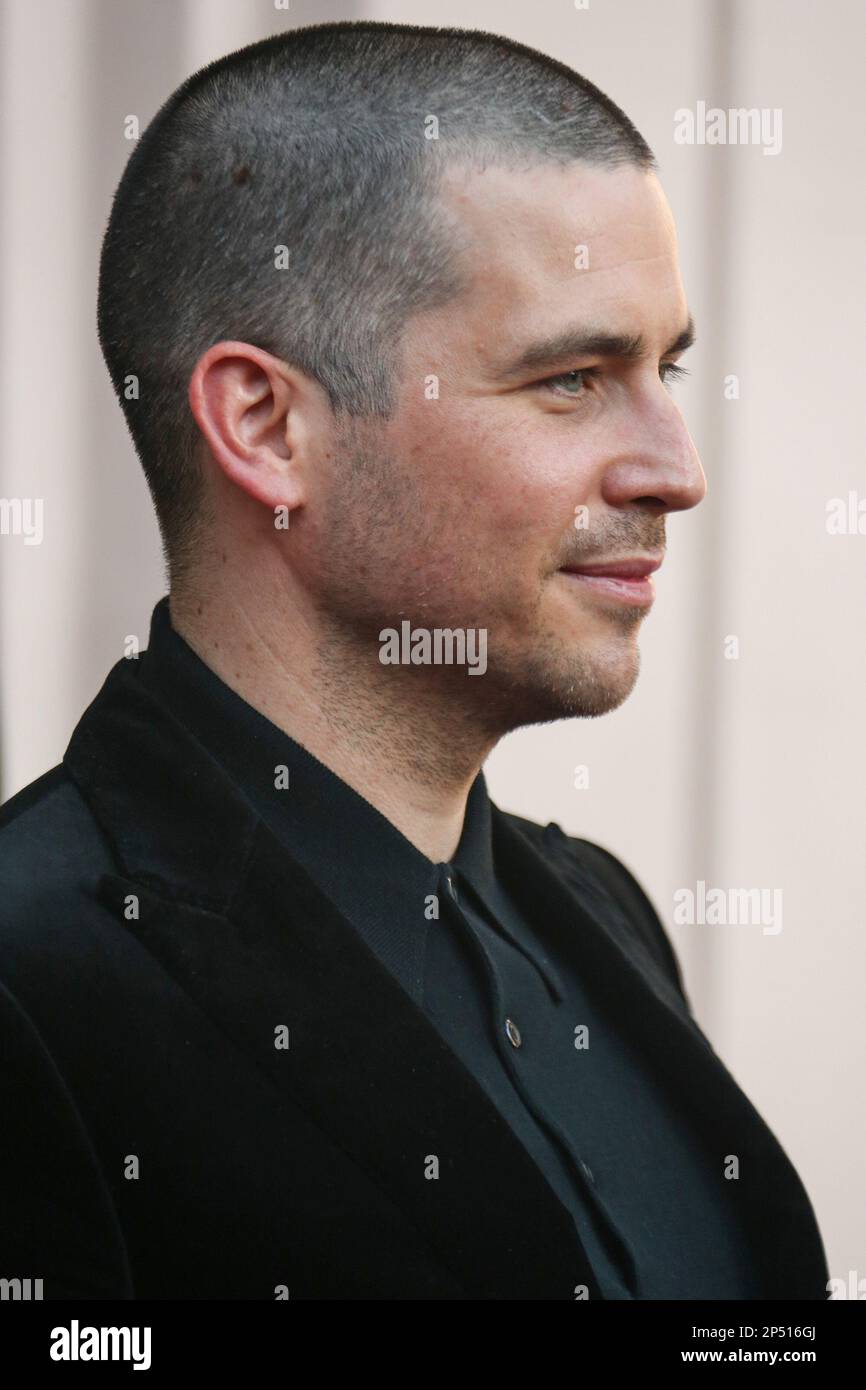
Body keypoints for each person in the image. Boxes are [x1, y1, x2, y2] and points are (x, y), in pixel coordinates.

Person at [0, 20, 828, 1299]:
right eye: (569, 378)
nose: (675, 470)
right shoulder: (33, 984)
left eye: (663, 367)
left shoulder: (598, 914)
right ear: (269, 427)